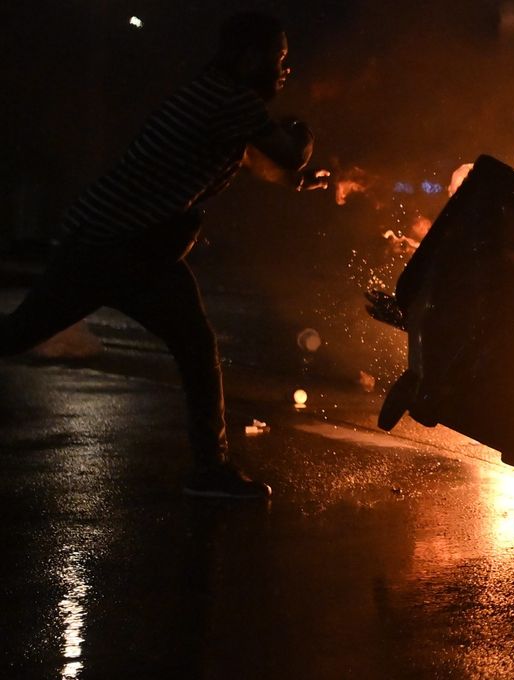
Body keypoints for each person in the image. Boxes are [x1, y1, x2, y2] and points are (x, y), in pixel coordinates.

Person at [0, 12, 329, 498]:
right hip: (118, 246)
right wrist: (303, 137)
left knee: (24, 331)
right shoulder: (236, 99)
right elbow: (287, 153)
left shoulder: (214, 91)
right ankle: (209, 471)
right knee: (193, 346)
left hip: (118, 242)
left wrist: (296, 179)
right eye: (278, 59)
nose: (284, 69)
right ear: (248, 58)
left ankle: (210, 468)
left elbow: (254, 160)